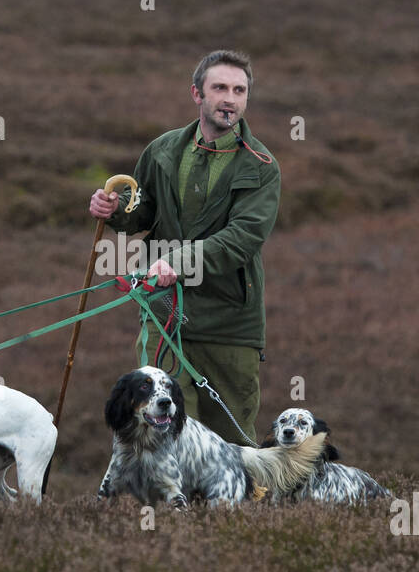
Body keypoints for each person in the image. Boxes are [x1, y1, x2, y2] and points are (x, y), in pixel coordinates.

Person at [87, 50, 280, 445]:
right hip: (161, 317)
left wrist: (178, 260)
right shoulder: (162, 150)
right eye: (220, 88)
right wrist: (113, 211)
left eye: (239, 90)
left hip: (228, 324)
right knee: (162, 439)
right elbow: (142, 213)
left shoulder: (261, 167)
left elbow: (242, 238)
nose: (230, 99)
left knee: (231, 448)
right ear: (197, 93)